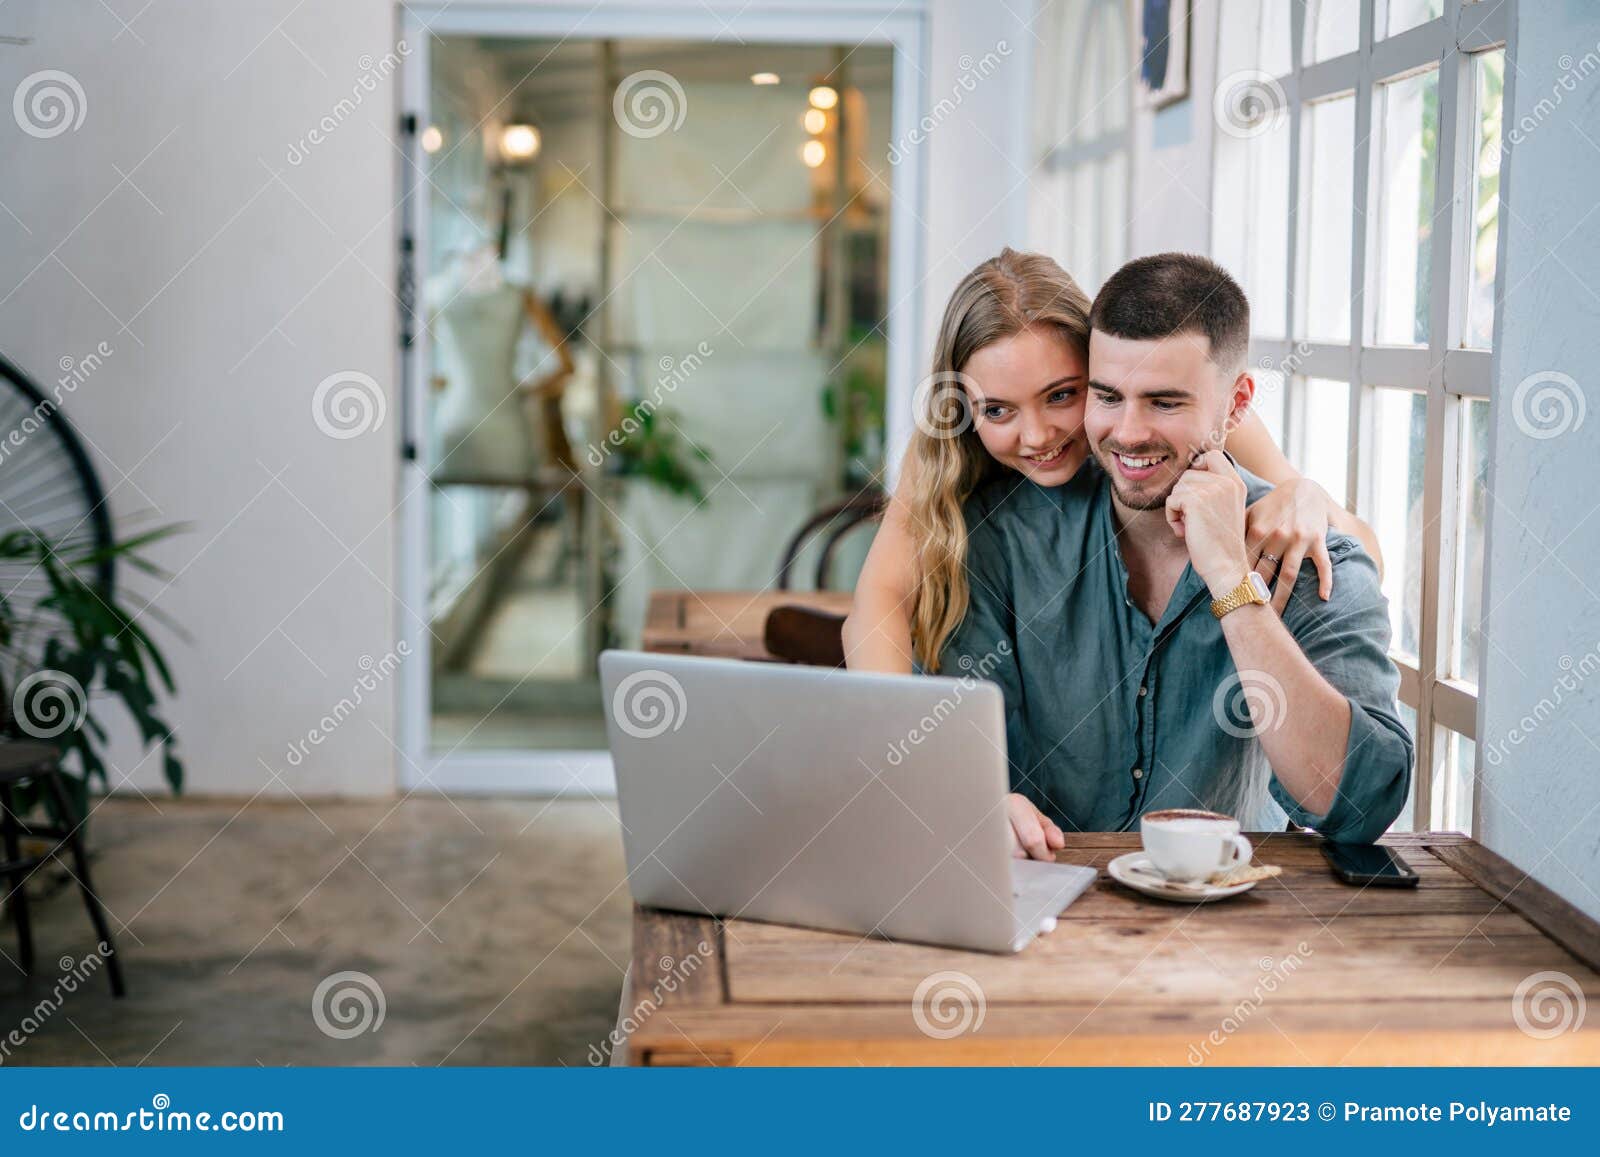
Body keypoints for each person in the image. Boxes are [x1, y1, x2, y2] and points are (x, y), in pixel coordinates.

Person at [928, 252, 1411, 855]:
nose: (1128, 432)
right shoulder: (1001, 536)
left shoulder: (1301, 547)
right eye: (1105, 396)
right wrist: (969, 797)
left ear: (1236, 405)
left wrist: (1232, 581)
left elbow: (1359, 806)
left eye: (1164, 402)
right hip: (1037, 912)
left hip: (1229, 928)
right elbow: (946, 734)